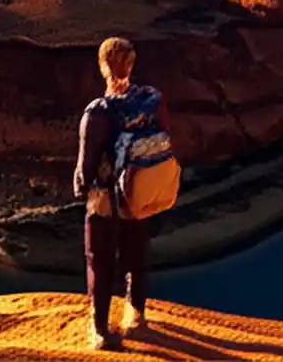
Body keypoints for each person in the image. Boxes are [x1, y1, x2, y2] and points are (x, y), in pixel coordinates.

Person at [73, 37, 171, 351]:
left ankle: (100, 329)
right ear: (131, 64)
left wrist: (81, 189)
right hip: (140, 192)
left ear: (103, 67)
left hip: (106, 200)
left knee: (99, 261)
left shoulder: (98, 112)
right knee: (137, 255)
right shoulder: (151, 100)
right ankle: (136, 317)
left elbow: (85, 169)